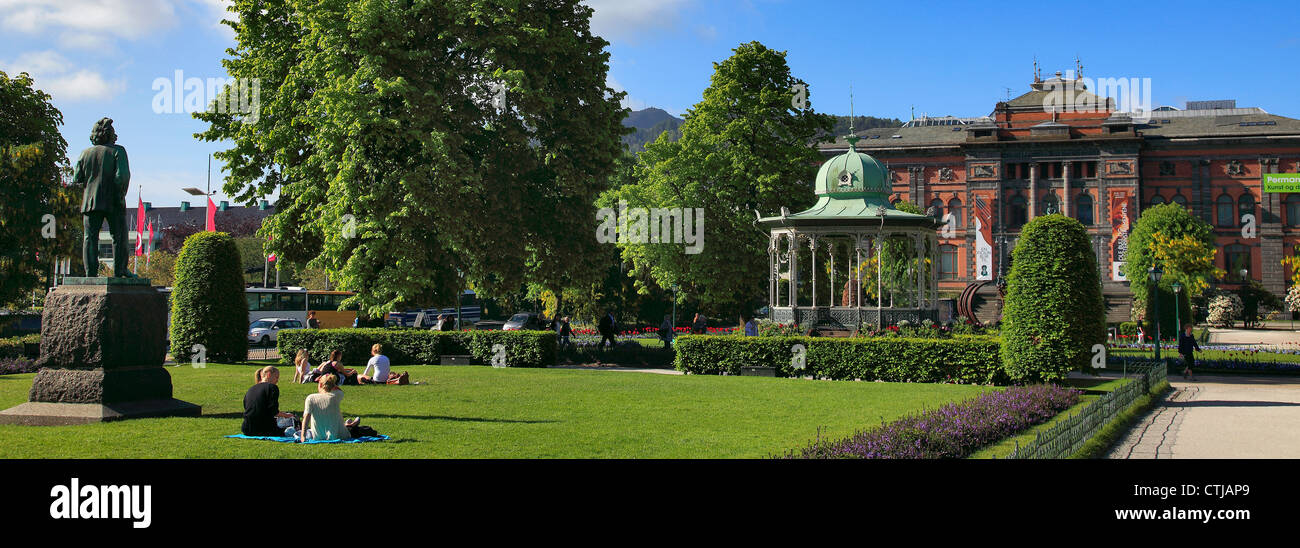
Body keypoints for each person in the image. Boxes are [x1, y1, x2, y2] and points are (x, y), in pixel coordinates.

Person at [294, 374, 358, 442]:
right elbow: (339, 390)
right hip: (340, 435)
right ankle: (349, 425)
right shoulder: (336, 396)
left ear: (320, 385)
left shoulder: (311, 398)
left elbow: (306, 418)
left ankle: (349, 425)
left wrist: (303, 436)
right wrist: (331, 382)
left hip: (319, 436)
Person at [242, 366, 296, 437]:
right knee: (291, 430)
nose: (277, 380)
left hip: (247, 428)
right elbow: (274, 411)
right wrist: (287, 415)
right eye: (276, 377)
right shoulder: (272, 387)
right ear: (269, 375)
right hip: (264, 429)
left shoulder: (251, 389)